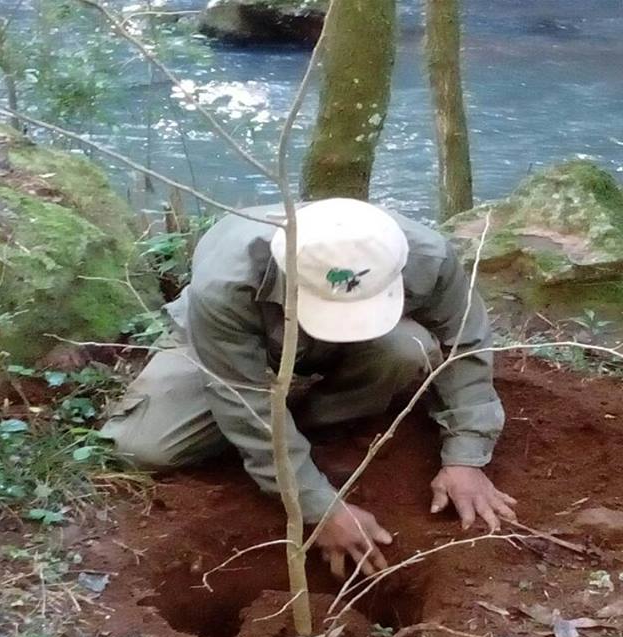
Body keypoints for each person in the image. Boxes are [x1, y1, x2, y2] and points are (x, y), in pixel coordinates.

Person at [100, 198, 517, 577]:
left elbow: (466, 341)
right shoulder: (227, 281)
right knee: (141, 447)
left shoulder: (426, 256)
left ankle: (319, 421)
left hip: (356, 348)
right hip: (233, 341)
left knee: (409, 351)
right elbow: (239, 394)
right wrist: (317, 507)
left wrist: (466, 456)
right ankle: (280, 438)